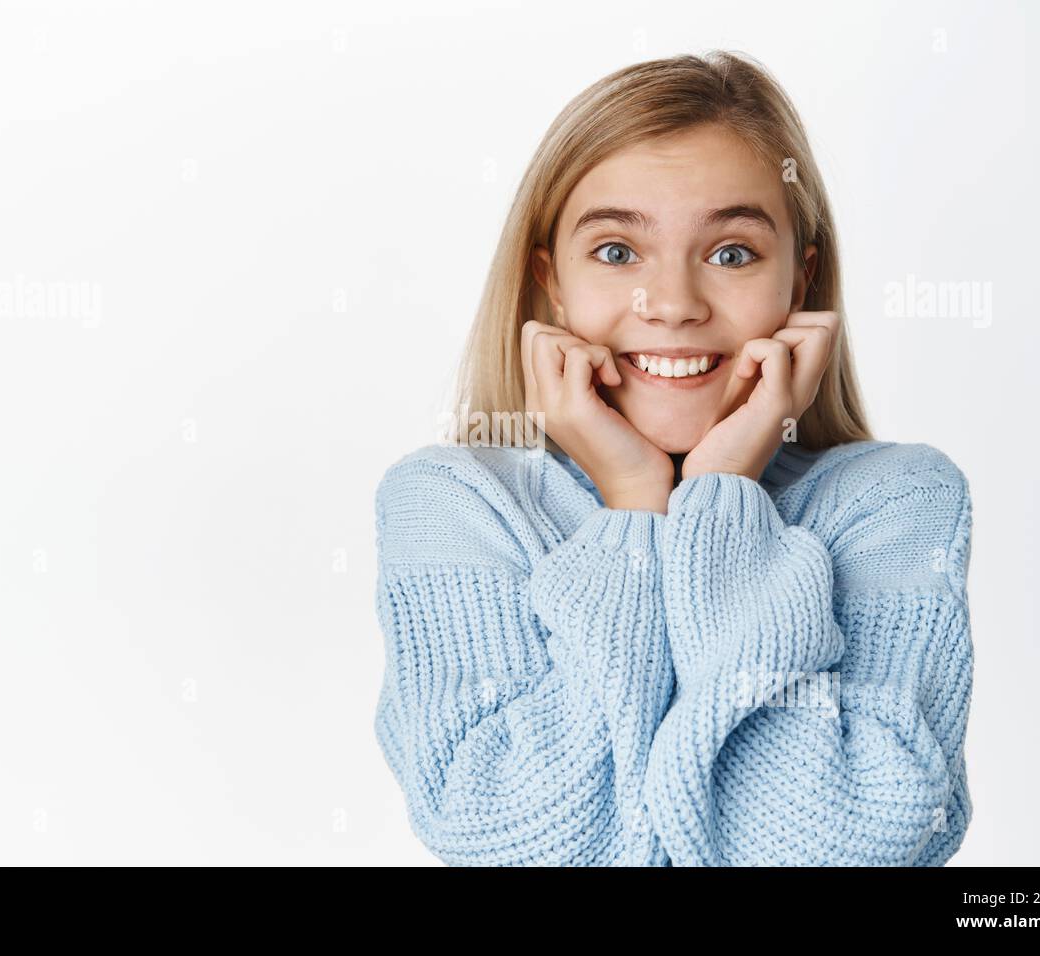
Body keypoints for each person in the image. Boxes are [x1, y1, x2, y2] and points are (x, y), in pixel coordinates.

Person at [371, 51, 975, 866]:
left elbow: (843, 846)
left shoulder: (896, 501)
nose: (676, 306)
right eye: (618, 252)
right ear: (551, 282)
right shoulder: (453, 502)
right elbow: (519, 840)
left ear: (799, 282)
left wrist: (721, 496)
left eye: (730, 254)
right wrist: (633, 504)